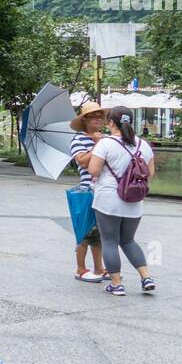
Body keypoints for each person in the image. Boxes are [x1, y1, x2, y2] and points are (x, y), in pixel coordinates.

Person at [86, 106, 156, 297]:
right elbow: (150, 173)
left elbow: (93, 170)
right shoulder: (143, 144)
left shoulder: (105, 144)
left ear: (110, 123)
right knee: (128, 240)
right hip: (134, 201)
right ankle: (146, 277)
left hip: (108, 199)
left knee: (109, 241)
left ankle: (116, 284)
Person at [68, 100, 107, 283]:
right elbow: (82, 161)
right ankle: (80, 269)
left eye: (100, 116)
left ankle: (99, 268)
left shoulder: (103, 137)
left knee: (98, 232)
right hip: (86, 190)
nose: (98, 119)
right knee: (84, 230)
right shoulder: (78, 139)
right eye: (94, 116)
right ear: (85, 120)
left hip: (102, 189)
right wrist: (98, 145)